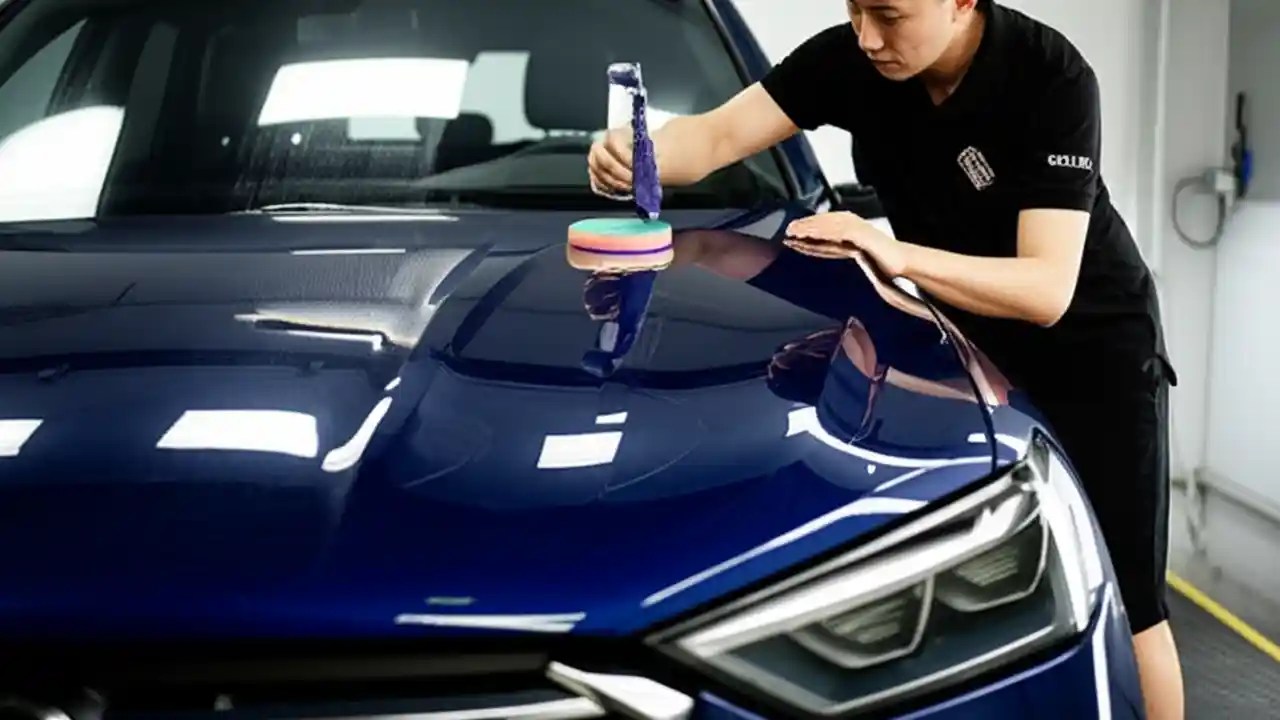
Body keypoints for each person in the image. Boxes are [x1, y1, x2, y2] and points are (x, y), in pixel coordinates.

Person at [587, 0, 1184, 717]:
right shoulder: (850, 59)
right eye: (855, 7)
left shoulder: (1049, 74)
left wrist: (889, 252)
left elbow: (1046, 289)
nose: (867, 36)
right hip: (968, 347)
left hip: (1095, 355)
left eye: (891, 15)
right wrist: (637, 151)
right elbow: (716, 137)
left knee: (1132, 600)